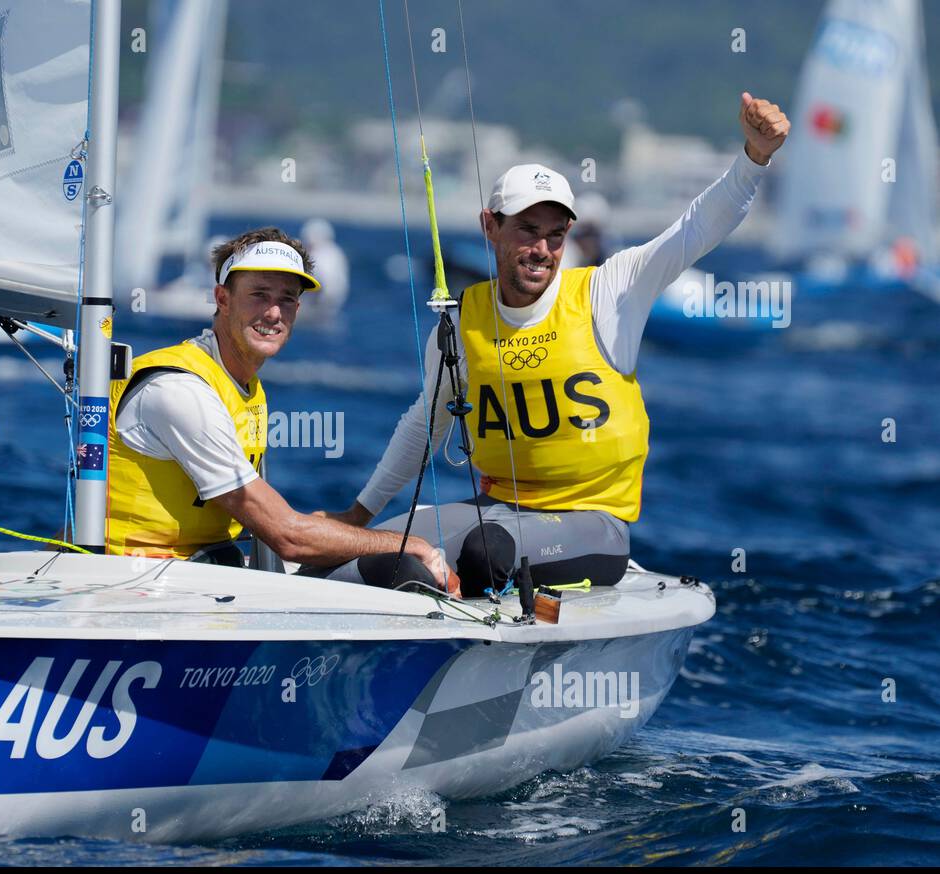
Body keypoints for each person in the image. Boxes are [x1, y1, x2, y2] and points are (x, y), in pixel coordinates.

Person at [321, 92, 791, 595]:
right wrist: (358, 515)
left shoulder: (608, 293)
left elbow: (696, 228)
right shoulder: (461, 322)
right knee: (355, 558)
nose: (541, 250)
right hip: (497, 510)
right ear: (489, 226)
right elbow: (425, 423)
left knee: (486, 552)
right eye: (527, 230)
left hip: (591, 524)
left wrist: (754, 157)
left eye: (555, 235)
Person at [104, 225, 460, 595]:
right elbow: (287, 536)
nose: (273, 313)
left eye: (287, 299)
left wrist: (346, 528)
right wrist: (410, 543)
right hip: (132, 586)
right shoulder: (179, 391)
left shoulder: (243, 383)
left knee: (401, 565)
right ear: (222, 299)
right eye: (258, 295)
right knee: (406, 565)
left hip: (199, 573)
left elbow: (272, 526)